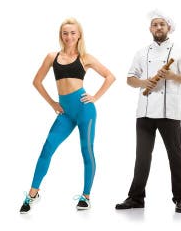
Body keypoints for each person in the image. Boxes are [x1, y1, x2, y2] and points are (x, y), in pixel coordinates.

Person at [21, 18, 116, 213]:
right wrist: (53, 103)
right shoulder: (52, 56)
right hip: (64, 113)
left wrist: (95, 97)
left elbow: (110, 76)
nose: (69, 36)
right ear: (61, 35)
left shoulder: (85, 57)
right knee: (47, 148)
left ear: (79, 35)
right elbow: (36, 81)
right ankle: (32, 194)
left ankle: (86, 197)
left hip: (84, 111)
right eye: (65, 33)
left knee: (86, 150)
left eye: (73, 33)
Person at [115, 10, 181, 213]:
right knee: (142, 156)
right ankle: (135, 198)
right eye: (155, 25)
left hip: (169, 112)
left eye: (162, 24)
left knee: (175, 155)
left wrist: (172, 76)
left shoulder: (179, 51)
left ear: (169, 27)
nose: (158, 27)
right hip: (145, 111)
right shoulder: (142, 52)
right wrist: (144, 82)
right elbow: (130, 78)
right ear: (150, 28)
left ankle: (180, 199)